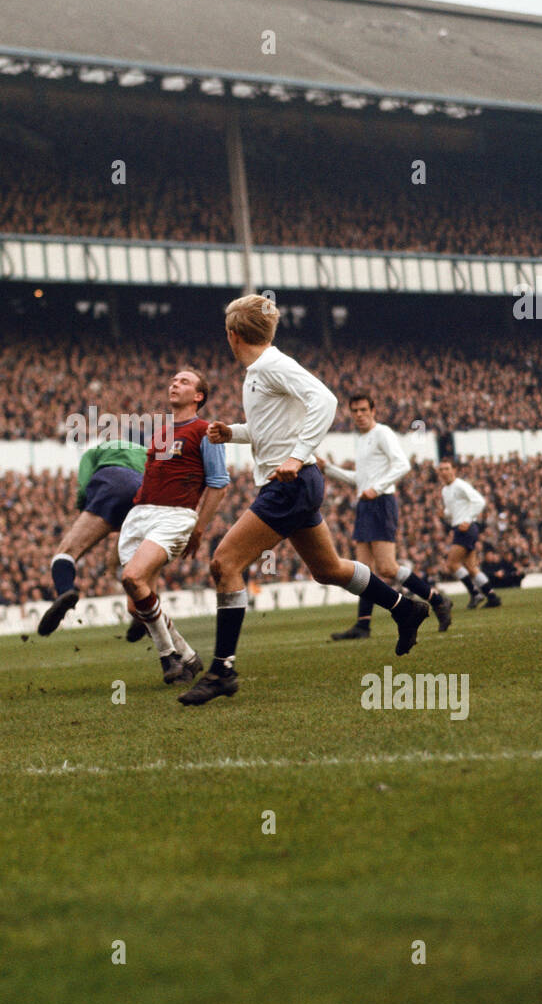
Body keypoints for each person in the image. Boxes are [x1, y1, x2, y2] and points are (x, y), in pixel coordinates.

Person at [177, 295, 429, 707]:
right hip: (296, 481)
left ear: (232, 335)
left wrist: (297, 456)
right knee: (328, 569)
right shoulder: (260, 370)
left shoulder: (272, 365)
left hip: (291, 482)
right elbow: (274, 425)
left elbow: (325, 401)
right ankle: (404, 608)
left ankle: (222, 669)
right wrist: (235, 433)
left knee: (225, 562)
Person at [118, 368, 229, 685]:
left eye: (183, 381)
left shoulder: (206, 431)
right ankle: (189, 657)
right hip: (140, 515)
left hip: (174, 515)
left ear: (198, 396)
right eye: (173, 380)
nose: (174, 384)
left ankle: (168, 658)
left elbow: (219, 484)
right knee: (135, 603)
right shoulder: (161, 431)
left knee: (132, 576)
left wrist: (198, 527)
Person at [326, 394, 452, 639]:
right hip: (366, 503)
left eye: (364, 410)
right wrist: (328, 468)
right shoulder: (362, 440)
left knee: (387, 567)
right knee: (363, 570)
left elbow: (402, 464)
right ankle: (363, 624)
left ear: (374, 410)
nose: (359, 414)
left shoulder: (382, 433)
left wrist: (378, 488)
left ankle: (437, 600)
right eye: (355, 411)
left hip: (381, 502)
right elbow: (359, 480)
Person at [38, 437, 146, 635]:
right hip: (145, 494)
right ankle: (143, 610)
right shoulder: (147, 452)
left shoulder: (92, 453)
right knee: (135, 563)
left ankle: (65, 592)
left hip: (112, 483)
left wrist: (86, 514)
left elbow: (84, 487)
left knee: (67, 551)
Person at [434, 459, 502, 610]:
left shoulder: (460, 485)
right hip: (460, 527)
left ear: (454, 470)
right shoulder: (445, 490)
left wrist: (468, 519)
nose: (444, 472)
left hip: (466, 528)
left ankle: (475, 593)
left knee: (451, 564)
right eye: (441, 470)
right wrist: (444, 514)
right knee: (471, 567)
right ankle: (492, 597)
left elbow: (479, 501)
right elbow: (452, 512)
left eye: (446, 468)